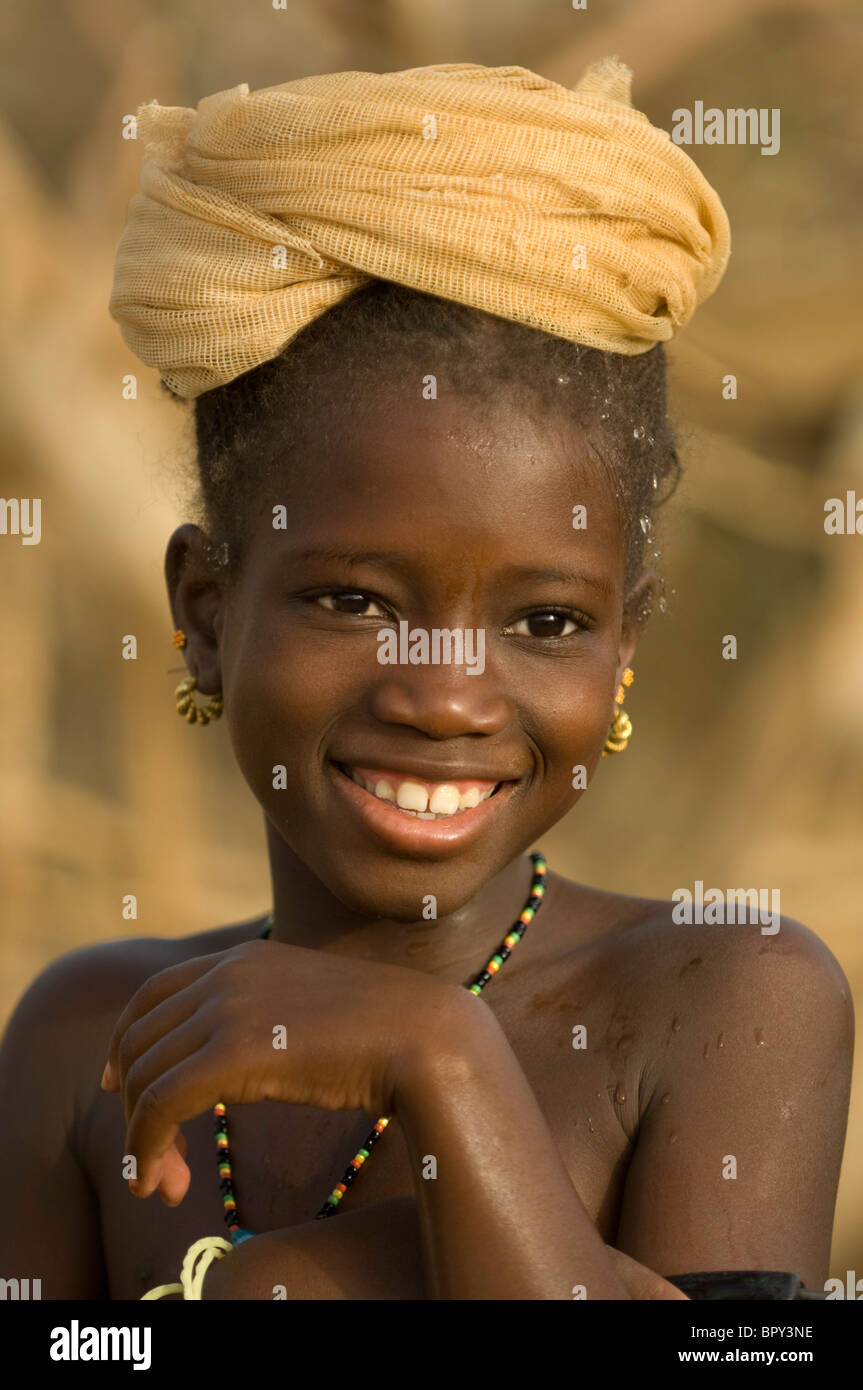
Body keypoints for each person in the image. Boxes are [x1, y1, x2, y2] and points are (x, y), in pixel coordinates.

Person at [0, 58, 852, 1301]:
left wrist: (437, 1058)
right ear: (200, 611)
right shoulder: (90, 1037)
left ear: (625, 650)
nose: (444, 695)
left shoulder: (726, 996)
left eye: (547, 620)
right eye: (353, 601)